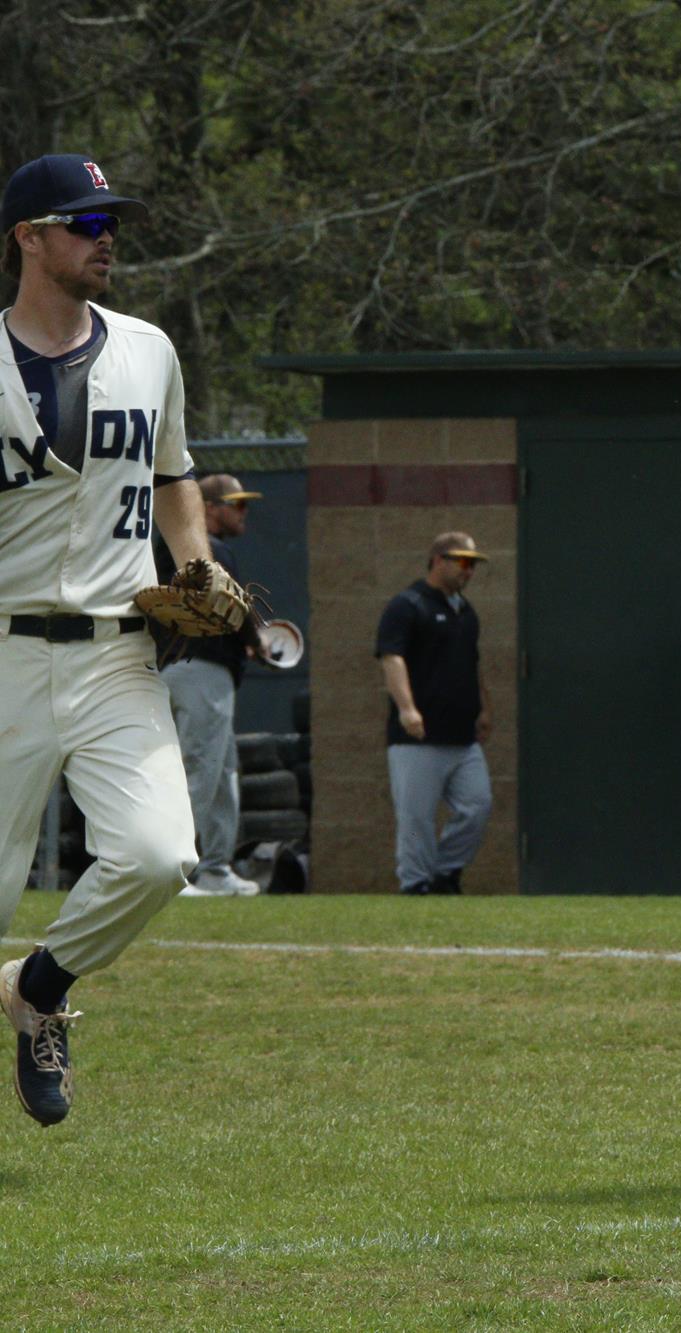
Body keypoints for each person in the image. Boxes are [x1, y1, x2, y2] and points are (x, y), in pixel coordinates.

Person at [0, 153, 207, 1126]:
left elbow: (174, 473)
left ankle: (39, 987)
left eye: (108, 219)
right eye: (83, 222)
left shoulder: (149, 350)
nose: (105, 235)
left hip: (119, 648)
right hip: (5, 648)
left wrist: (197, 569)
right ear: (28, 237)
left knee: (160, 852)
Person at [162, 473, 265, 897]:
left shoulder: (190, 549)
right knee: (201, 768)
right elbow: (233, 606)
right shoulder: (209, 550)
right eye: (235, 504)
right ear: (207, 508)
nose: (243, 512)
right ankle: (173, 872)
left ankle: (216, 869)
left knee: (221, 772)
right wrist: (259, 640)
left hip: (193, 669)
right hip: (199, 669)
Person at [374, 532, 493, 896]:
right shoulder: (407, 605)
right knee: (417, 818)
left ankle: (445, 873)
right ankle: (415, 884)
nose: (469, 571)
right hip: (418, 737)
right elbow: (392, 658)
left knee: (477, 805)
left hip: (462, 736)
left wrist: (484, 708)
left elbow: (473, 663)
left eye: (473, 565)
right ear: (439, 560)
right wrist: (407, 709)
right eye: (464, 562)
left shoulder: (466, 611)